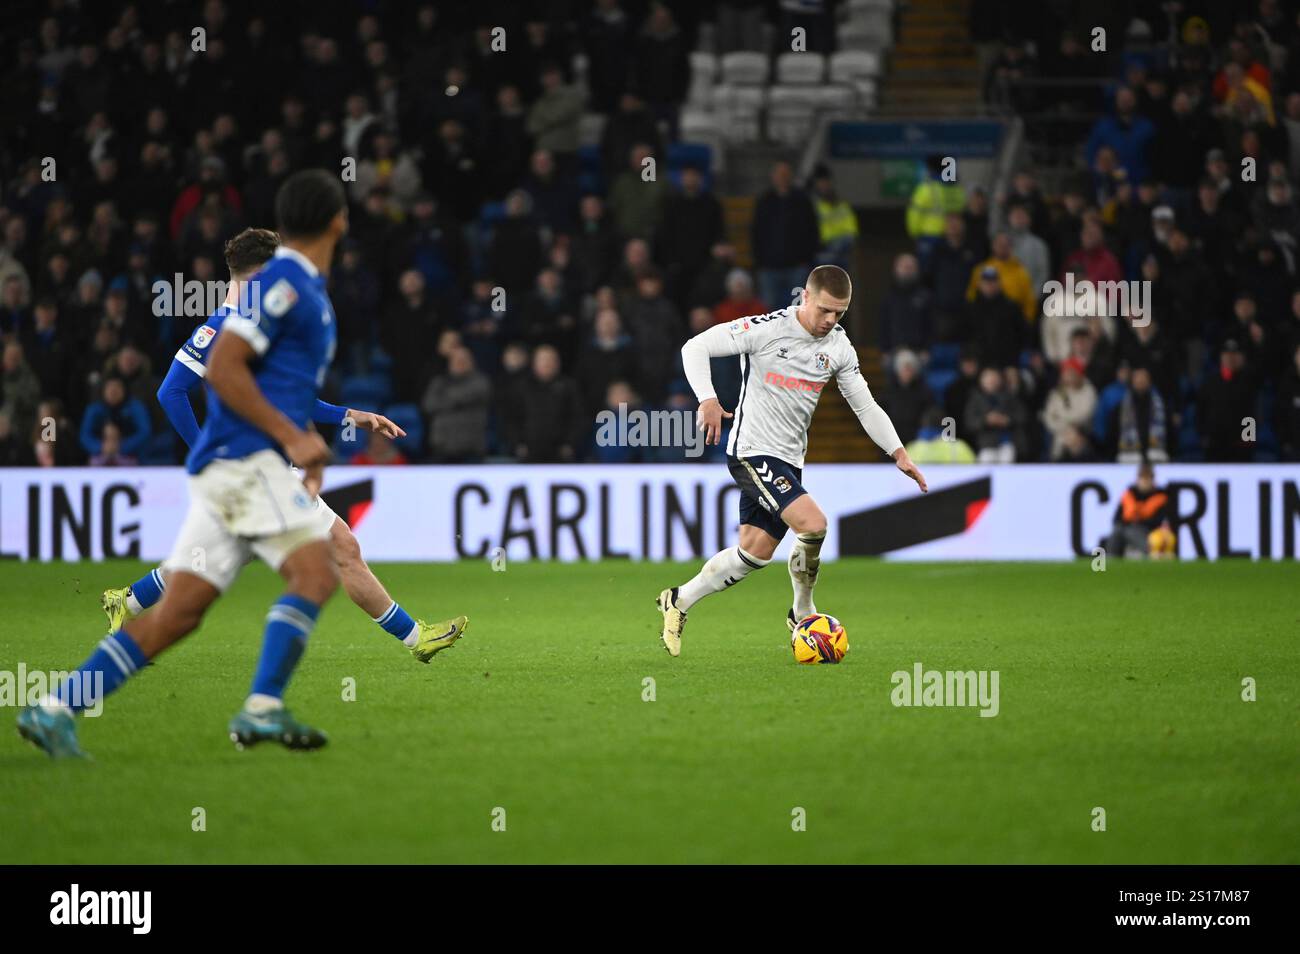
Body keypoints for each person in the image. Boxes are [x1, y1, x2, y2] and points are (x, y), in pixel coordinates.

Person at [17, 172, 462, 760]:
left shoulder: (291, 288)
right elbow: (219, 370)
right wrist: (284, 438)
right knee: (317, 571)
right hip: (250, 463)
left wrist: (343, 417)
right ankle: (263, 707)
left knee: (179, 612)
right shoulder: (277, 289)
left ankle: (55, 708)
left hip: (243, 465)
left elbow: (277, 389)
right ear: (336, 222)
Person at [99, 226, 463, 667]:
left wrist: (353, 415)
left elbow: (291, 399)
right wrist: (205, 451)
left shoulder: (255, 328)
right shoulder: (221, 329)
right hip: (252, 469)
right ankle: (406, 641)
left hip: (261, 466)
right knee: (338, 551)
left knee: (207, 563)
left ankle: (129, 604)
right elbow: (170, 392)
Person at [657, 265, 926, 656]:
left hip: (790, 459)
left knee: (753, 553)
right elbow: (694, 347)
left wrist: (898, 452)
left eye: (840, 314)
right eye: (824, 310)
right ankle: (802, 613)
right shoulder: (766, 329)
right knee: (813, 524)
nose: (830, 321)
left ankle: (678, 600)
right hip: (752, 451)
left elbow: (865, 406)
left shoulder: (838, 347)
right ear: (805, 298)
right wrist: (707, 398)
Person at [1104, 462, 1172, 558]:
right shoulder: (1129, 494)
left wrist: (1138, 521)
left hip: (1148, 531)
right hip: (1127, 527)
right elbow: (1116, 518)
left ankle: (1151, 553)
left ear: (1152, 480)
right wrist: (1130, 522)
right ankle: (1111, 558)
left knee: (1131, 532)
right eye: (1142, 478)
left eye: (1147, 478)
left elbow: (1159, 521)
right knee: (1118, 530)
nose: (1144, 482)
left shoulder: (1160, 496)